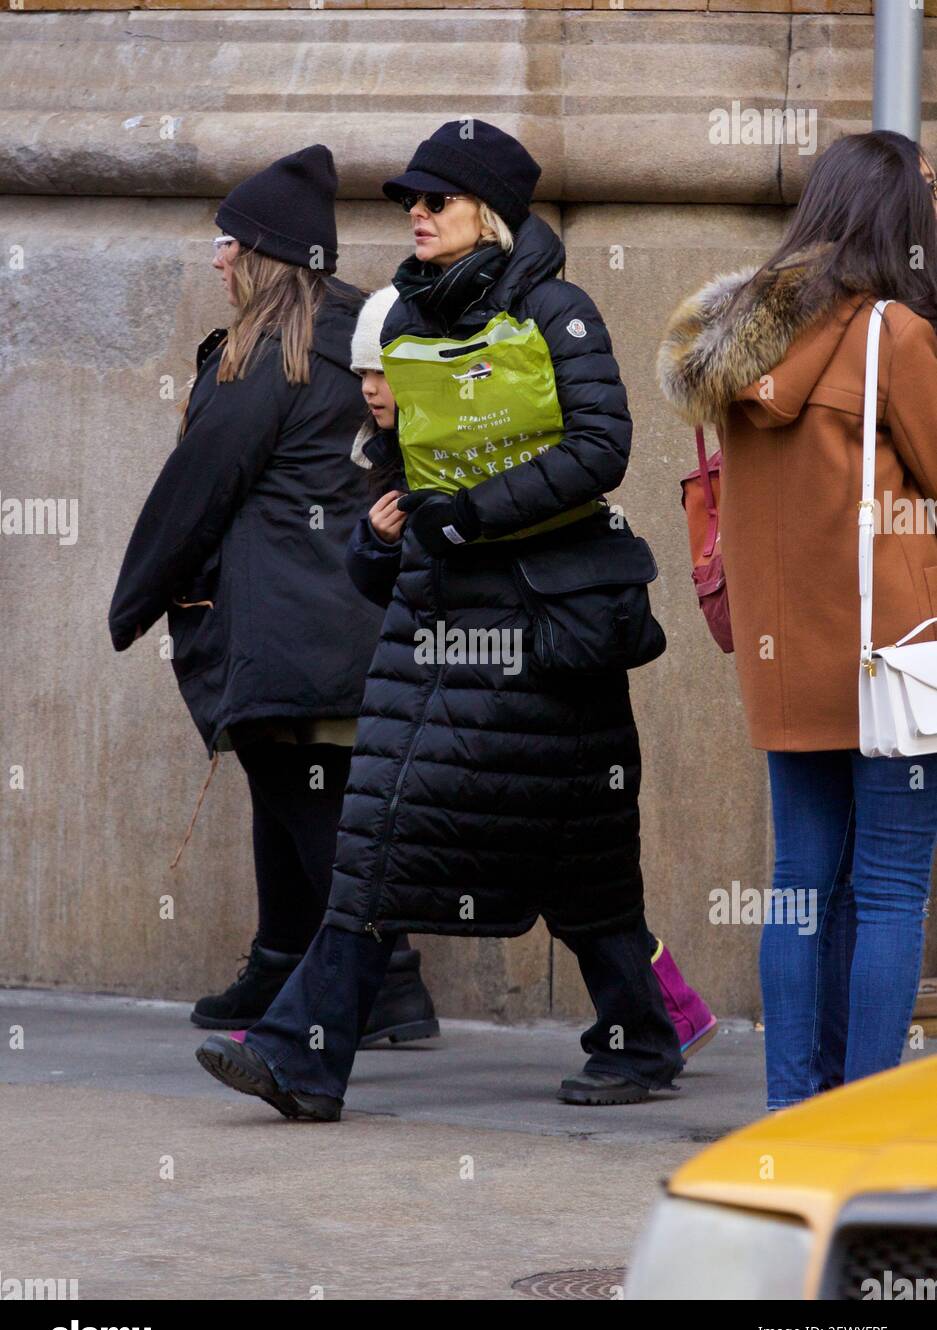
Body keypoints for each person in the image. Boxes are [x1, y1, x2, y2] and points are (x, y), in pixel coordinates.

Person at [195, 120, 705, 1123]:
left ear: (492, 214)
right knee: (393, 839)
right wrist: (382, 544)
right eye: (410, 203)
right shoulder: (406, 317)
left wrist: (471, 512)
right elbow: (395, 479)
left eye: (437, 200)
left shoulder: (556, 307)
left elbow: (602, 444)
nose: (417, 216)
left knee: (566, 861)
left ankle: (638, 1033)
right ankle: (308, 1060)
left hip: (540, 634)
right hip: (430, 630)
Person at [108, 145, 437, 1047]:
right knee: (292, 786)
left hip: (285, 624)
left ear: (260, 253)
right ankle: (283, 956)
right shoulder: (363, 333)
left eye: (227, 241)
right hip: (359, 611)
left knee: (310, 800)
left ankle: (388, 981)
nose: (216, 257)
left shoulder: (263, 354)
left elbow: (197, 487)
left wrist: (133, 600)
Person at [348, 282, 717, 1057]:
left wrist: (463, 520)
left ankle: (655, 1018)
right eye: (361, 377)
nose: (372, 389)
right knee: (537, 864)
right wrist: (376, 545)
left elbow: (590, 454)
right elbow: (398, 582)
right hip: (455, 682)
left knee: (426, 851)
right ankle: (304, 1031)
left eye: (382, 371)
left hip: (519, 672)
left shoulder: (528, 357)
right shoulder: (394, 455)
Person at [658, 130, 937, 1109]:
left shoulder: (741, 343)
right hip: (891, 653)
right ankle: (861, 1118)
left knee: (799, 879)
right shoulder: (890, 335)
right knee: (893, 886)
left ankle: (793, 1106)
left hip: (784, 656)